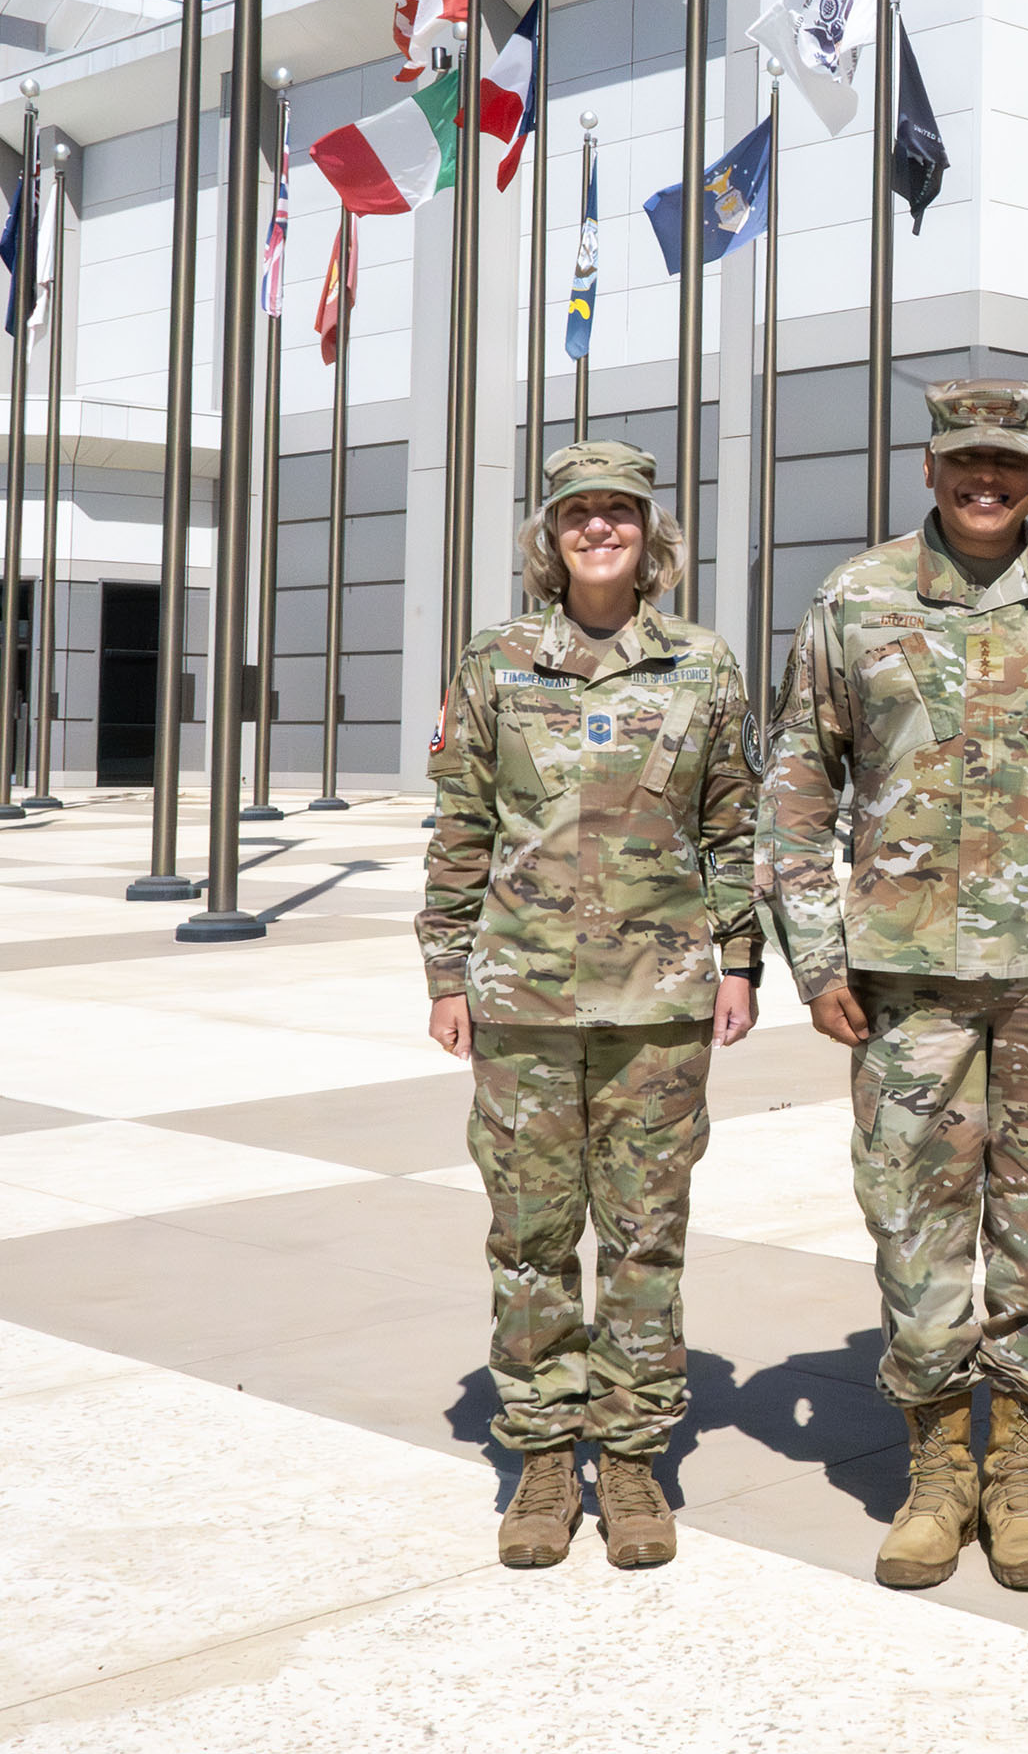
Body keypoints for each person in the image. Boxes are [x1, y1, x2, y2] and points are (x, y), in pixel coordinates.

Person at [764, 376, 1028, 1594]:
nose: (985, 479)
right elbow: (798, 782)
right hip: (903, 978)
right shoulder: (856, 601)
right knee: (911, 1219)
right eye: (965, 459)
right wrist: (812, 949)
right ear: (930, 466)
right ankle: (934, 1463)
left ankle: (1018, 1462)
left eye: (1007, 461)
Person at [424, 439, 759, 1576]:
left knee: (644, 1235)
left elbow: (730, 825)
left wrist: (741, 961)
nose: (600, 528)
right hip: (519, 993)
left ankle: (628, 1452)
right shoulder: (497, 659)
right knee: (528, 1235)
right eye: (580, 513)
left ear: (648, 529)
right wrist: (442, 971)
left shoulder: (704, 664)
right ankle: (540, 1452)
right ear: (551, 534)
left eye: (620, 509)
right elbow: (462, 823)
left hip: (659, 999)